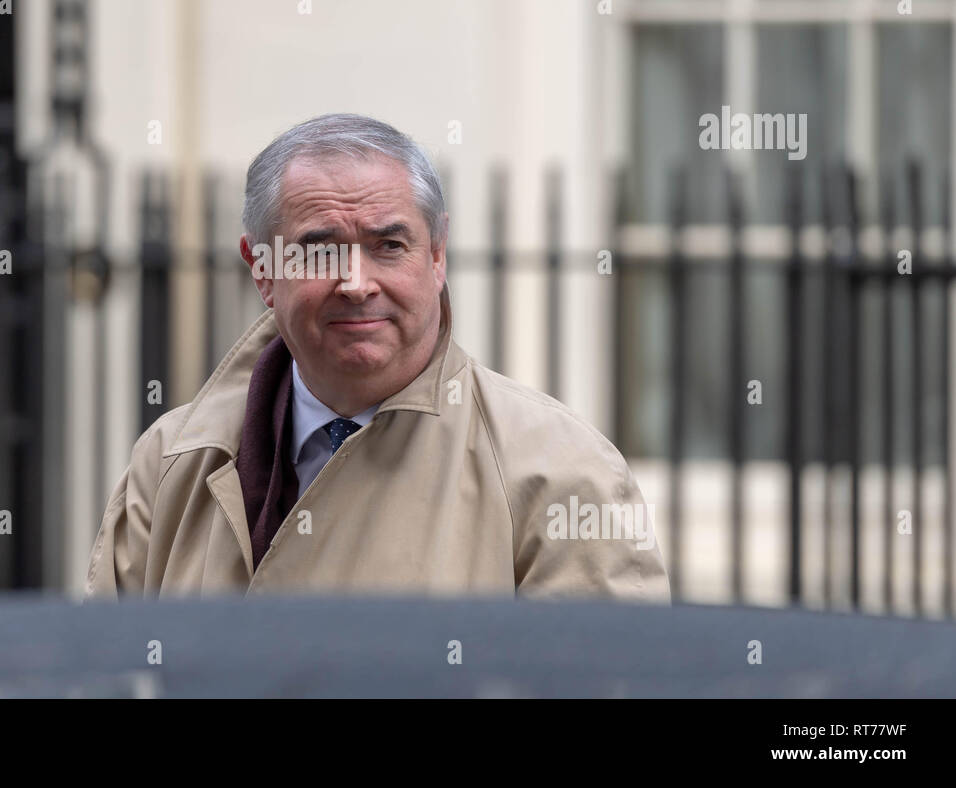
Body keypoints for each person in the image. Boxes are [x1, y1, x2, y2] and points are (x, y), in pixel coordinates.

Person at [85, 113, 670, 602]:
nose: (356, 283)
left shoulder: (560, 472)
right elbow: (104, 681)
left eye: (389, 246)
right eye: (320, 250)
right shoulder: (170, 462)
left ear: (437, 255)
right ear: (261, 269)